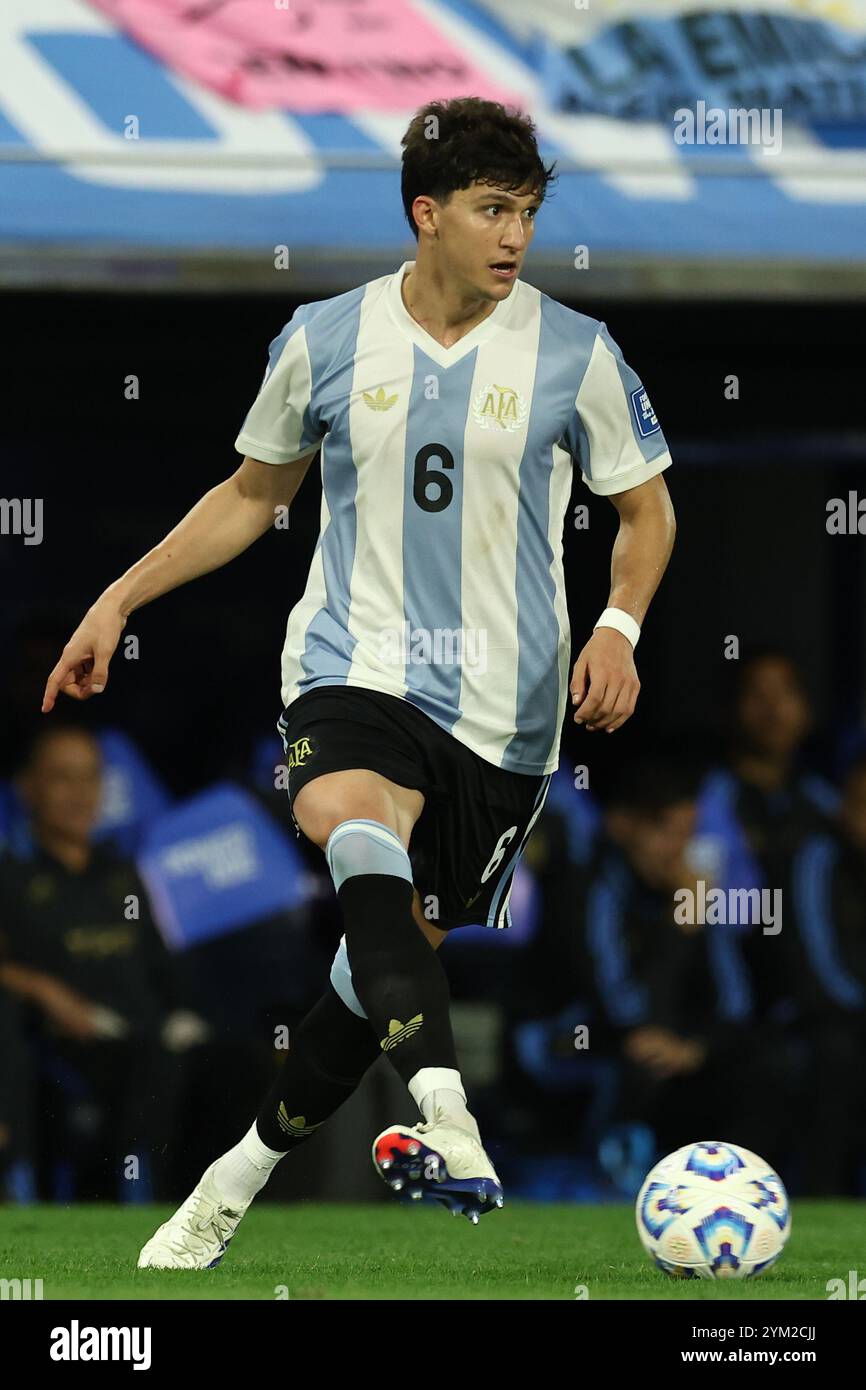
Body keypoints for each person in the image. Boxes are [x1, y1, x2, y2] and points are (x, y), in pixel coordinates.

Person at [41, 98, 676, 1267]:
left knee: (373, 967)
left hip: (506, 718)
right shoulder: (323, 338)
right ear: (425, 215)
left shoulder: (575, 351)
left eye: (528, 214)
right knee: (352, 833)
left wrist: (620, 623)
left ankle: (229, 1183)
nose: (512, 238)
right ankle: (446, 1115)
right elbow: (250, 494)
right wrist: (117, 598)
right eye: (491, 211)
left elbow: (644, 508)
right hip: (350, 672)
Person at [0, 725, 207, 1199]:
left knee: (239, 1064)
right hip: (75, 1042)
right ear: (26, 787)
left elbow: (163, 965)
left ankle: (238, 1206)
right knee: (147, 1066)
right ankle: (138, 1202)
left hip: (150, 1032)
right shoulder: (11, 876)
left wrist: (184, 1015)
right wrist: (44, 990)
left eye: (90, 779)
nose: (80, 794)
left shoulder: (123, 872)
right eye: (62, 779)